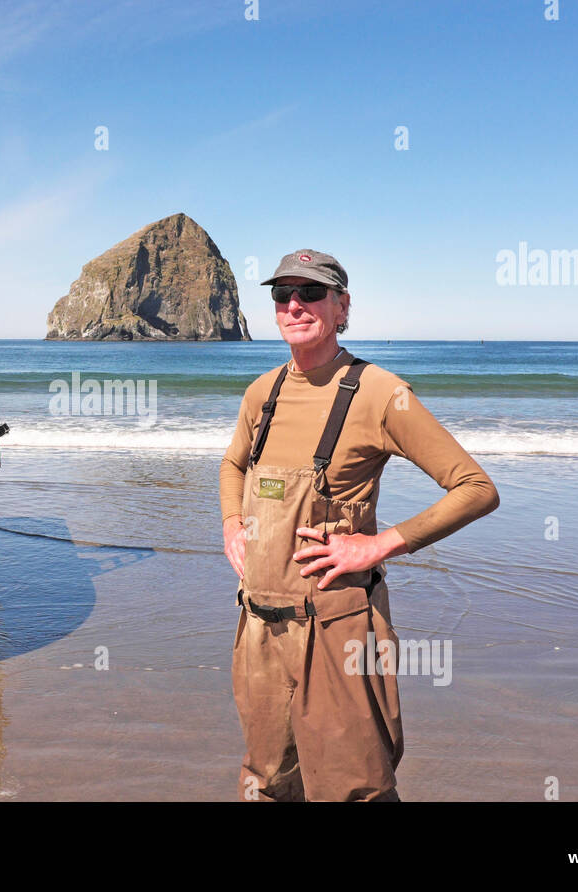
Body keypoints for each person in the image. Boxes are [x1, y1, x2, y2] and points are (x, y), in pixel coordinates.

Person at [220, 249, 499, 801]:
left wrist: (378, 546)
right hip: (258, 628)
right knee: (266, 781)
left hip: (337, 628)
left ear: (342, 306)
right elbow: (233, 464)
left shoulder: (379, 393)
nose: (295, 305)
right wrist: (232, 521)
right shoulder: (264, 393)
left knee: (354, 787)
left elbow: (476, 489)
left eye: (312, 292)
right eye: (283, 294)